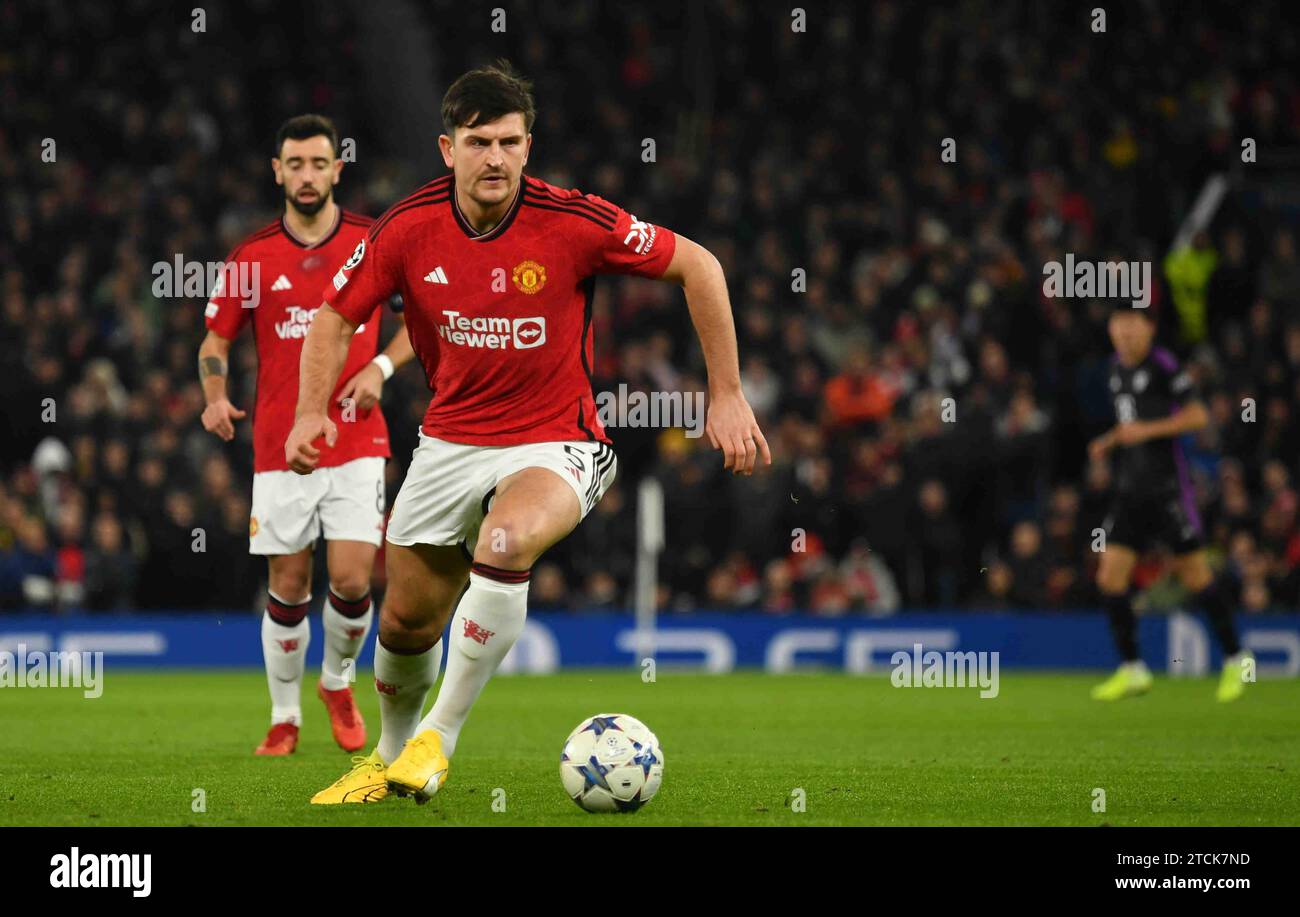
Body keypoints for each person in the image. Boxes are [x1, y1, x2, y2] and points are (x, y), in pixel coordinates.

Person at [292, 61, 769, 804]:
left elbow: (700, 266)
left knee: (506, 541)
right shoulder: (407, 228)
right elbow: (331, 317)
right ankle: (386, 759)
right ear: (447, 149)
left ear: (528, 146)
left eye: (510, 142)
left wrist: (727, 393)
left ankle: (437, 737)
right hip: (449, 442)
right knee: (407, 621)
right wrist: (308, 412)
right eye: (479, 142)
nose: (496, 158)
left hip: (558, 439)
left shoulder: (574, 221)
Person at [199, 114, 415, 755]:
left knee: (352, 579)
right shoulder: (252, 256)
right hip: (278, 445)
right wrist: (214, 397)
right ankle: (284, 716)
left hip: (357, 440)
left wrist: (380, 366)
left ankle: (336, 682)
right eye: (295, 164)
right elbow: (215, 339)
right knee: (289, 586)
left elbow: (423, 321)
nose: (307, 175)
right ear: (277, 171)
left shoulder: (373, 241)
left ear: (336, 168)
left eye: (319, 163)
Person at [1087, 303, 1252, 702]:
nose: (1125, 332)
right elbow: (1130, 424)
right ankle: (1133, 670)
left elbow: (1198, 416)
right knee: (1109, 576)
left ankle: (1236, 659)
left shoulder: (1163, 365)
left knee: (1196, 576)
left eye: (1132, 324)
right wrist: (1109, 441)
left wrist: (1148, 430)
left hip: (1167, 492)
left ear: (1149, 327)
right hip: (1130, 492)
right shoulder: (1114, 370)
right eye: (1118, 325)